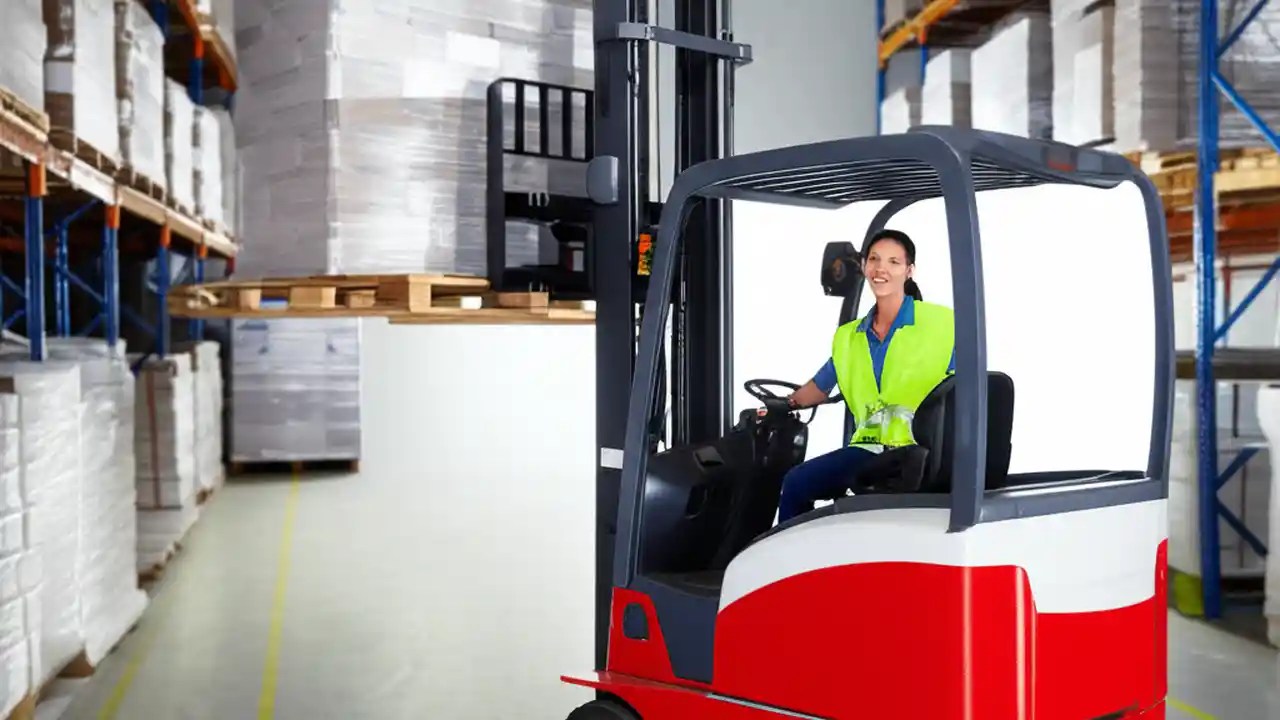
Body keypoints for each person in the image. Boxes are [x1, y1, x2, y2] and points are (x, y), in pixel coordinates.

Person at [776, 229, 955, 523]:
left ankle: (785, 563)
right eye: (874, 259)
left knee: (796, 484)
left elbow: (965, 387)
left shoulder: (942, 324)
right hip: (869, 448)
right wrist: (785, 404)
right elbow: (820, 387)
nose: (881, 268)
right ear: (863, 266)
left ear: (909, 271)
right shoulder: (849, 337)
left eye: (894, 262)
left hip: (916, 450)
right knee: (799, 483)